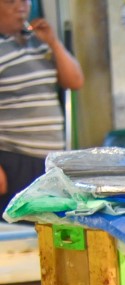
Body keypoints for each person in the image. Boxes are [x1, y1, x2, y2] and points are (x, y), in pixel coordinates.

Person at [0, 0, 82, 215]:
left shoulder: (38, 42)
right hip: (12, 159)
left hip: (48, 161)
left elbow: (74, 82)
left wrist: (54, 43)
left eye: (25, 0)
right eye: (10, 1)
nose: (21, 6)